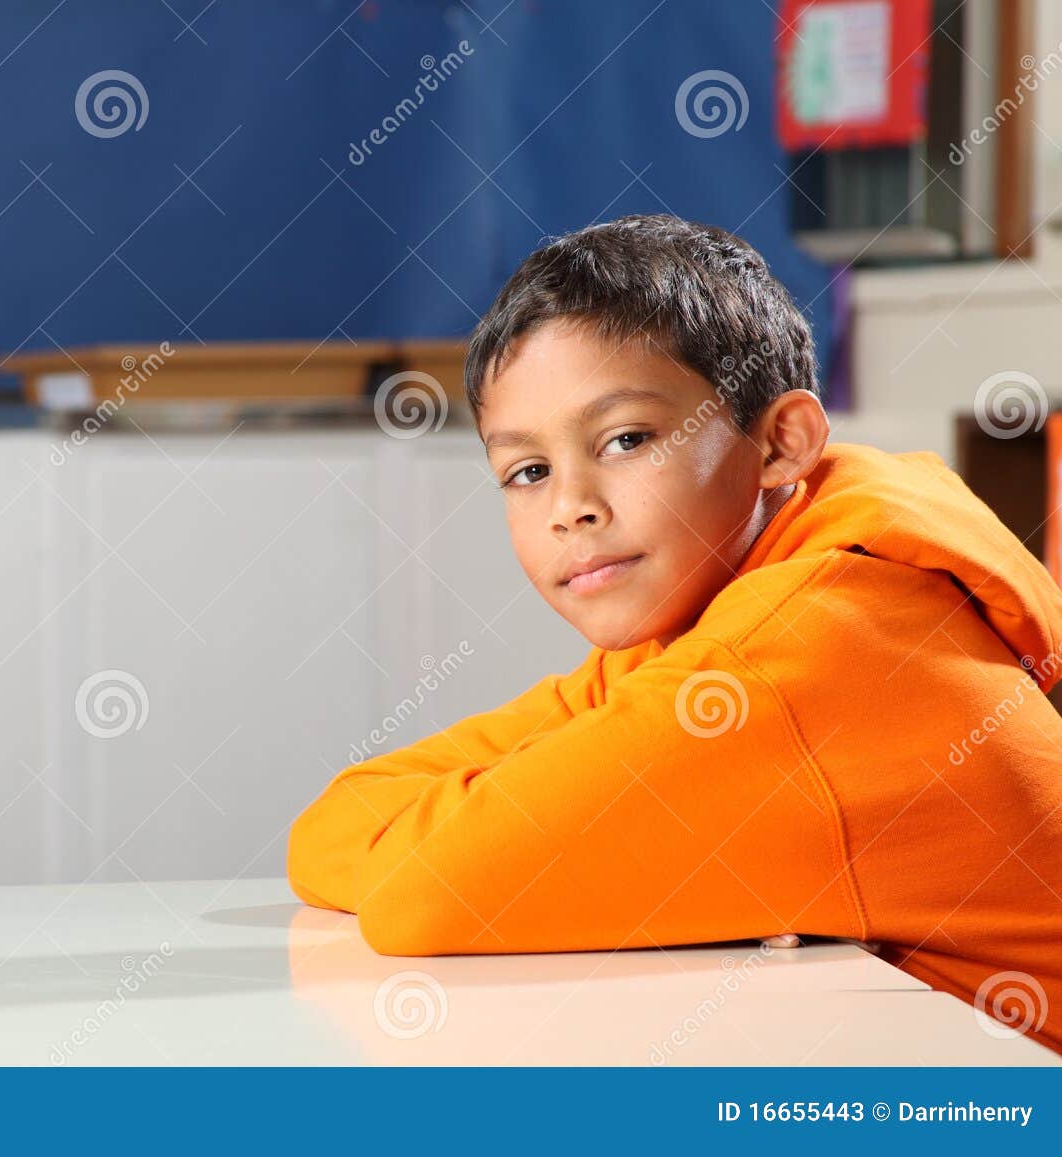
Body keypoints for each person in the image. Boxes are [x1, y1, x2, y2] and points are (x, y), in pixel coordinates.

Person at [287, 214, 1062, 1056]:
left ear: (781, 443)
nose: (570, 507)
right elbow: (337, 818)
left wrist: (451, 837)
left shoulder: (803, 653)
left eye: (627, 439)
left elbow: (422, 893)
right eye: (528, 470)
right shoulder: (710, 623)